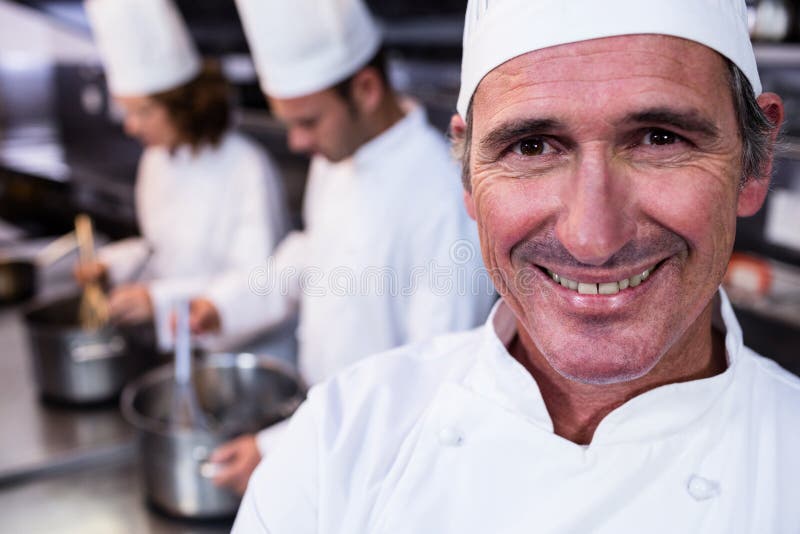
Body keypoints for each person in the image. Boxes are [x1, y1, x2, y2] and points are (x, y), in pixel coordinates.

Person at [232, 0, 800, 532]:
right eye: (532, 147)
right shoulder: (335, 447)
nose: (592, 238)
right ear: (468, 178)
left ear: (755, 164)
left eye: (659, 138)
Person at [199, 0, 496, 494]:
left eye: (308, 122)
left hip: (384, 466)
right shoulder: (335, 157)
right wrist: (222, 306)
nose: (295, 142)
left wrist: (280, 449)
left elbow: (432, 380)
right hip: (322, 429)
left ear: (365, 89)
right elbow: (315, 255)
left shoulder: (440, 193)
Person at [76, 0, 292, 355]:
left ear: (184, 105)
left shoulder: (246, 167)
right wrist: (112, 266)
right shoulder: (156, 161)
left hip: (245, 357)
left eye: (142, 112)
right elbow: (159, 250)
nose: (130, 126)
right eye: (125, 111)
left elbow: (257, 285)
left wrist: (158, 301)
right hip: (182, 348)